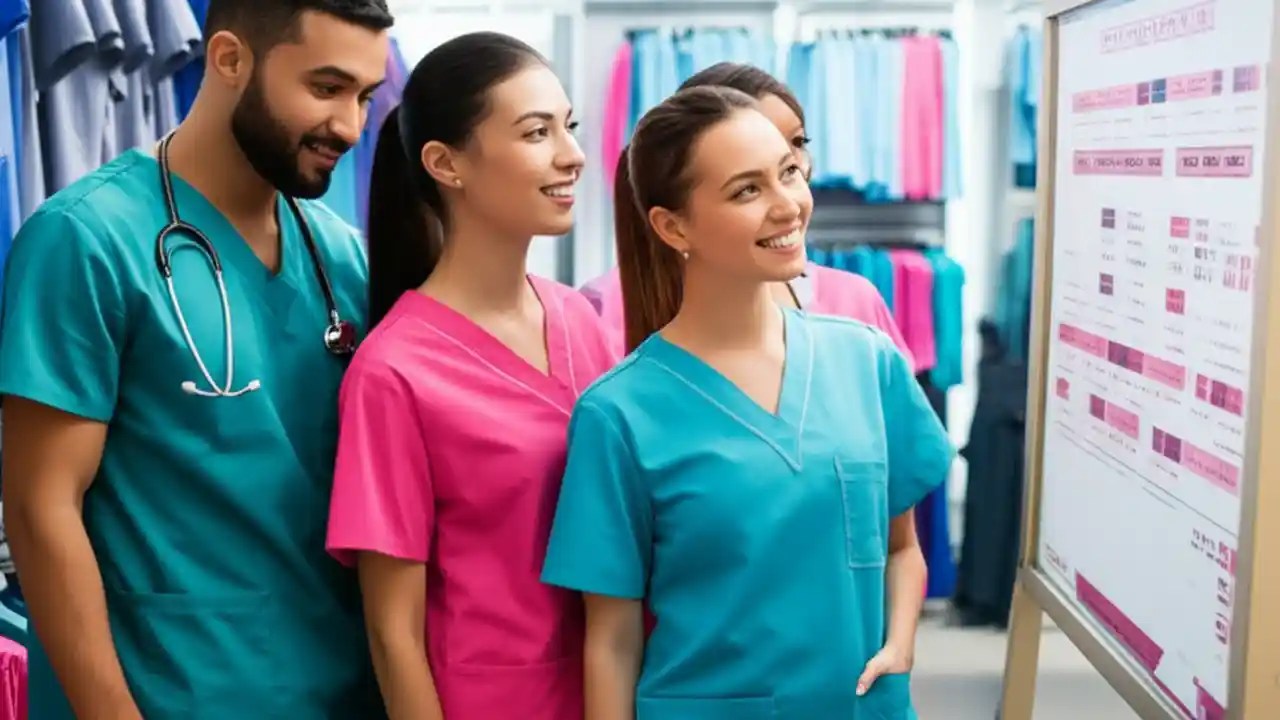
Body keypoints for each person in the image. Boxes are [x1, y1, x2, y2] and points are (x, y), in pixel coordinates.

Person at [0, 1, 393, 717]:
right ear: (230, 59)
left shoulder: (344, 259)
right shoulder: (86, 240)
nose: (350, 125)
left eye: (365, 96)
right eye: (327, 88)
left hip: (339, 689)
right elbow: (39, 510)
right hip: (166, 694)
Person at [541, 86, 955, 719]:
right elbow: (613, 640)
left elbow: (901, 548)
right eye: (746, 190)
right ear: (673, 226)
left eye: (788, 172)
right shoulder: (618, 414)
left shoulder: (867, 361)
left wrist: (899, 643)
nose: (788, 204)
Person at [324, 32, 617, 720]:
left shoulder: (581, 321)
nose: (572, 154)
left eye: (569, 127)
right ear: (445, 163)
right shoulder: (394, 372)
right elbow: (393, 635)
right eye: (537, 132)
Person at [580, 62, 912, 365]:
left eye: (797, 144)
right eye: (747, 185)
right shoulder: (601, 311)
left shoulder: (854, 303)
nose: (788, 199)